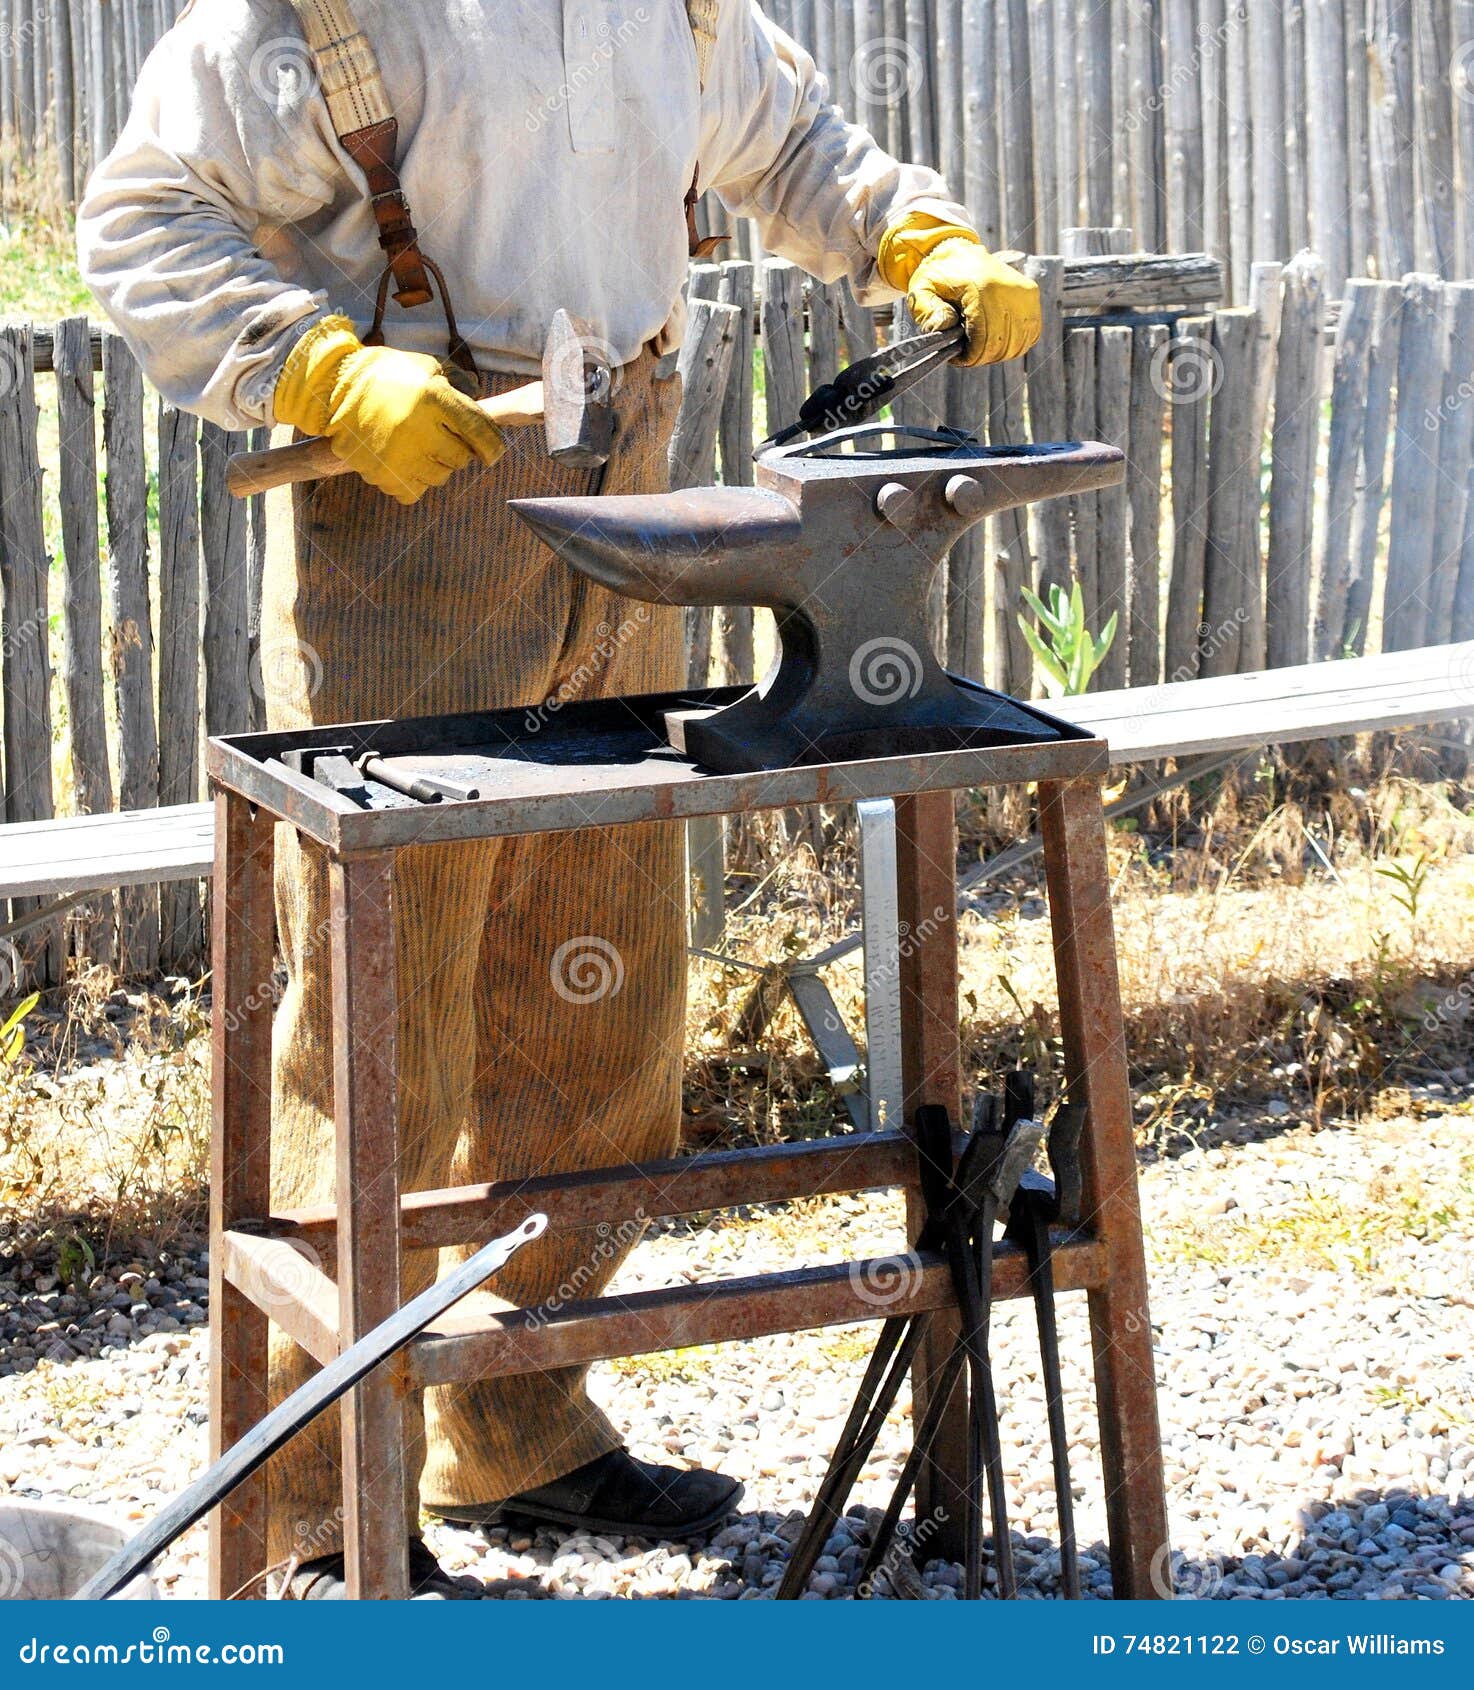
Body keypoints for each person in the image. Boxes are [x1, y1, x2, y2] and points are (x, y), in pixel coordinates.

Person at [78, 0, 1040, 1598]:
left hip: (632, 482)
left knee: (593, 1008)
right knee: (378, 1041)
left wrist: (909, 236)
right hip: (405, 512)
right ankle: (314, 1503)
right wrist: (315, 366)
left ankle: (518, 1433)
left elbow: (782, 141)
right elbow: (142, 215)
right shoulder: (317, 17)